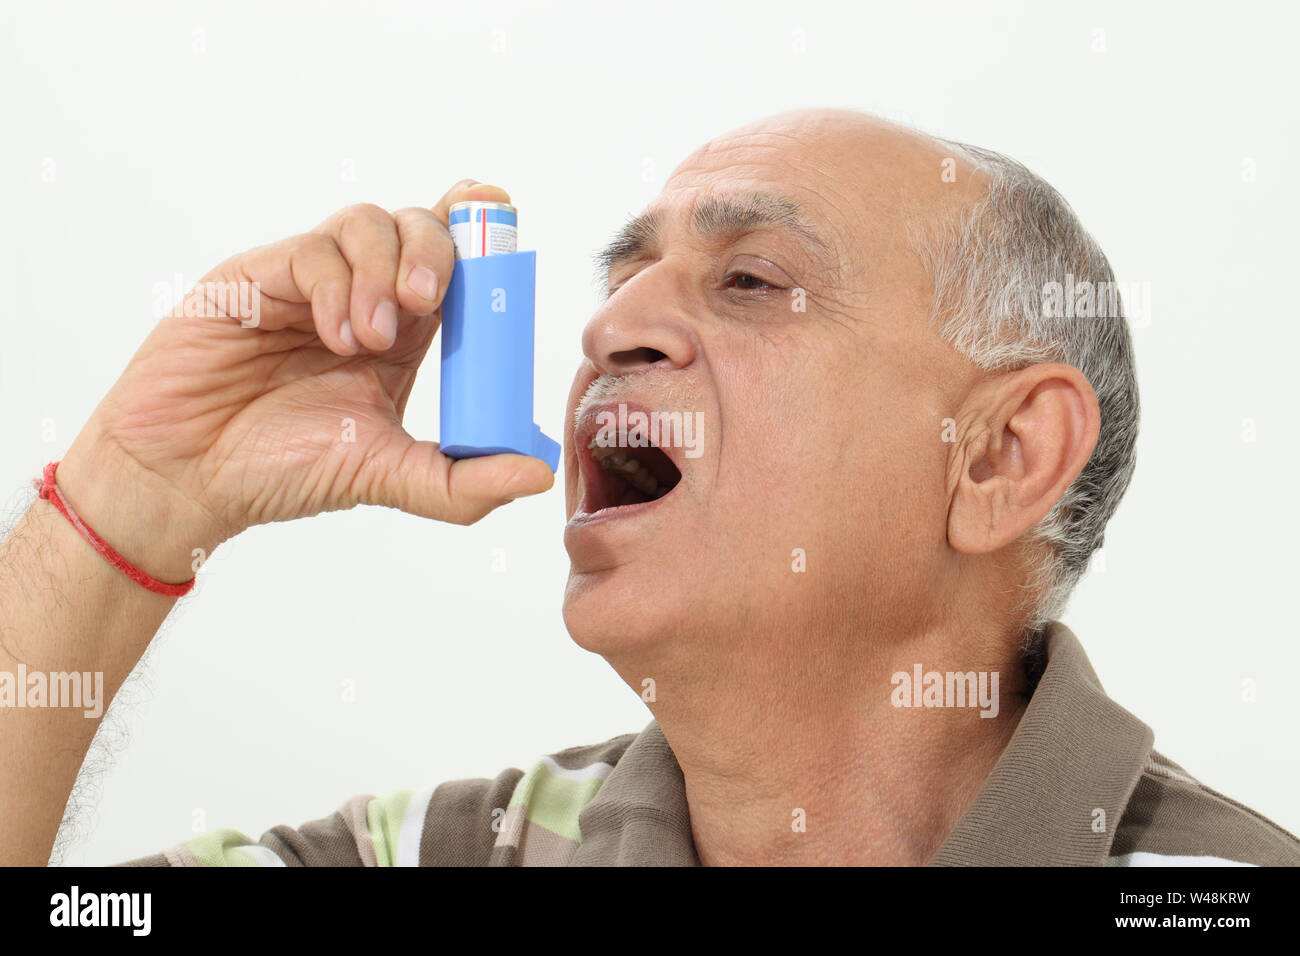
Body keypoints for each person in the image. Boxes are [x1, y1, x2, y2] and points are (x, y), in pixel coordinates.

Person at [2, 109, 1295, 867]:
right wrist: (131, 497)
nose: (611, 325)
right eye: (621, 280)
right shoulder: (449, 853)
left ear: (1002, 457)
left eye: (750, 282)